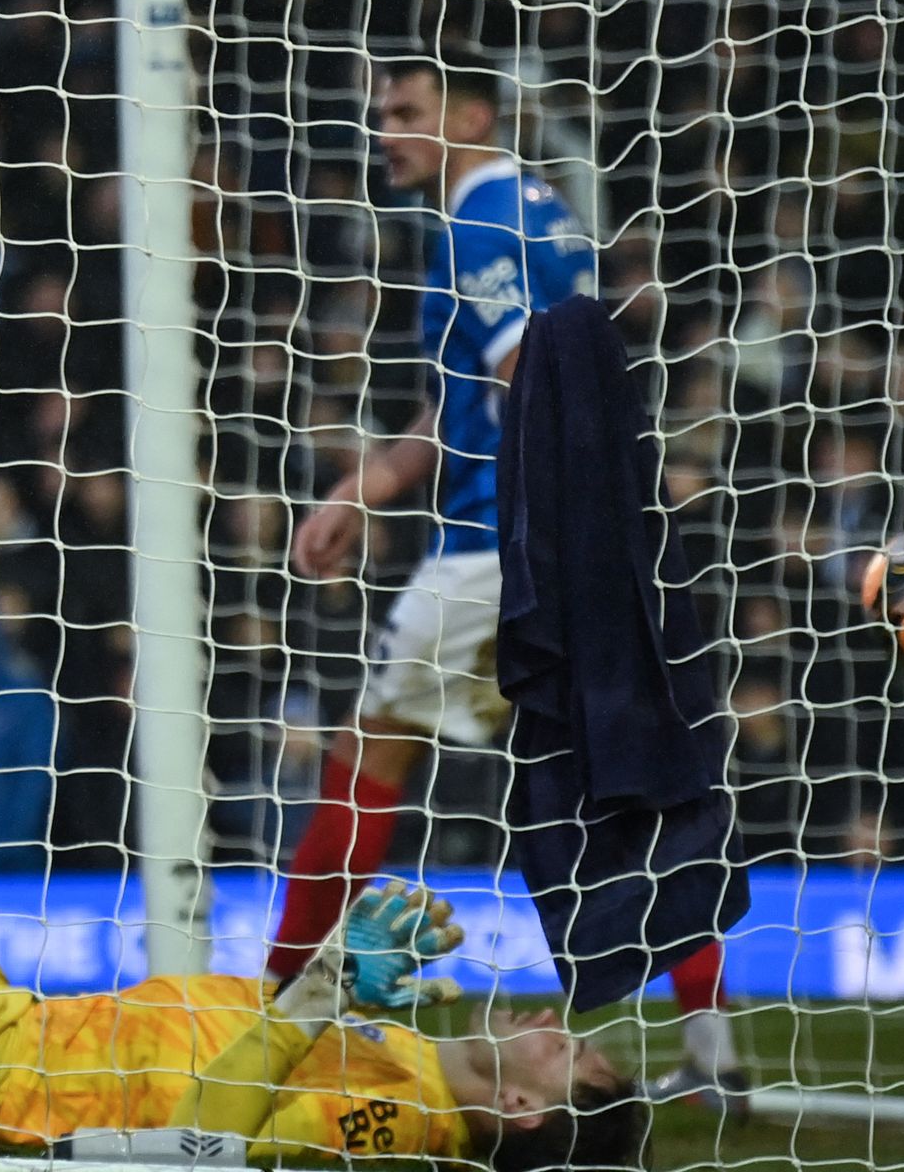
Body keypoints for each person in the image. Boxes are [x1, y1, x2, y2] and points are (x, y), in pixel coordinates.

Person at [271, 55, 742, 1108]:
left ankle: (270, 1010)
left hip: (495, 551)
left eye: (406, 110)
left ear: (472, 113)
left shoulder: (482, 225)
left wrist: (550, 539)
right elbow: (468, 407)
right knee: (637, 775)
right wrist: (367, 486)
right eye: (378, 112)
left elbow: (521, 377)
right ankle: (710, 1042)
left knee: (366, 755)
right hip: (559, 549)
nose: (383, 130)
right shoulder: (543, 215)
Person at [0, 745, 649, 1171]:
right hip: (7, 1021)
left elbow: (208, 1139)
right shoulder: (404, 1053)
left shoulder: (396, 1127)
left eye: (570, 1059)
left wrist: (326, 986)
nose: (554, 1026)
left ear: (524, 1112)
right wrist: (333, 990)